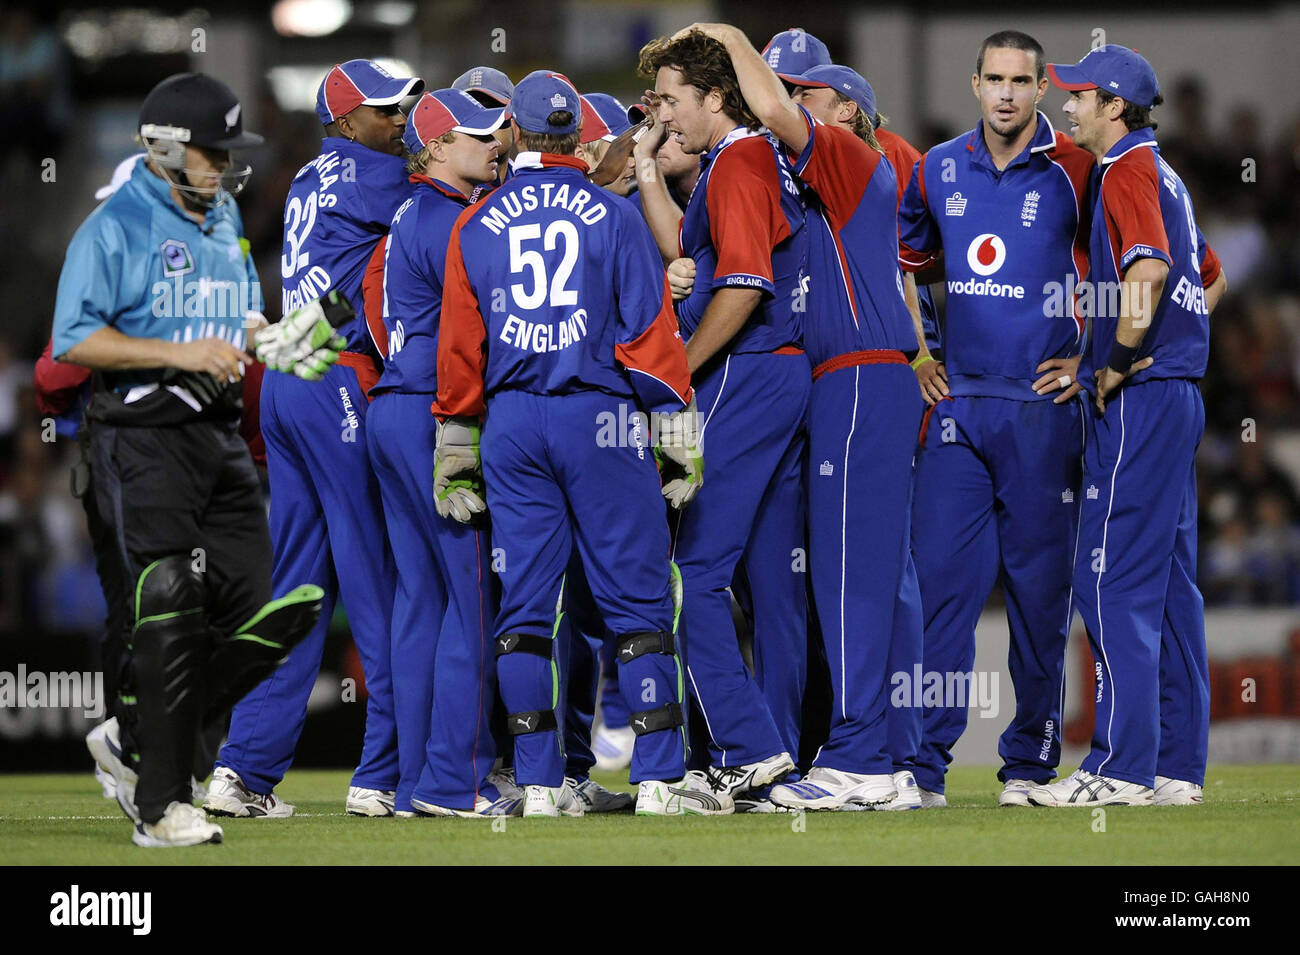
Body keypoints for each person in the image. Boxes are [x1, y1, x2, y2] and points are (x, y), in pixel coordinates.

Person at [52, 72, 329, 846]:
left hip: (216, 436)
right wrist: (177, 354)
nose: (225, 167)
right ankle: (161, 805)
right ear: (165, 147)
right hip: (141, 435)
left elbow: (235, 311)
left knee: (256, 610)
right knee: (168, 604)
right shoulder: (112, 227)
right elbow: (73, 338)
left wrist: (267, 337)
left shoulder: (223, 213)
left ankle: (136, 741)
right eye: (213, 153)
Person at [432, 70, 718, 816]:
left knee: (526, 608)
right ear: (575, 135)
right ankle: (657, 779)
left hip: (515, 422)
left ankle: (537, 783)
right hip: (602, 416)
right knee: (639, 599)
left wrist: (456, 442)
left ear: (517, 135)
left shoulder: (477, 223)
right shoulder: (613, 215)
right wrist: (678, 432)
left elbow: (460, 347)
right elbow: (648, 339)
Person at [685, 24, 923, 810]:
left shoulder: (855, 161)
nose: (789, 105)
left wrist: (723, 36)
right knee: (841, 576)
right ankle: (868, 756)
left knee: (856, 575)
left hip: (860, 376)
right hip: (834, 382)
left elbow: (768, 114)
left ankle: (863, 755)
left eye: (807, 95)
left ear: (849, 113)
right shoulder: (807, 191)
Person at [208, 59, 423, 819]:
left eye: (405, 109)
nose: (401, 121)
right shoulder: (381, 176)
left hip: (287, 381)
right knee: (379, 580)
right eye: (386, 110)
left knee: (298, 591)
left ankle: (243, 769)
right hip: (338, 373)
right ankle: (384, 773)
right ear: (345, 121)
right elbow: (465, 202)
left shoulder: (307, 175)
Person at [896, 31, 1095, 808]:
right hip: (957, 411)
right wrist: (919, 352)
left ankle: (1028, 763)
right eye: (995, 80)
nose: (1008, 94)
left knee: (1040, 596)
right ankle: (923, 765)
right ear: (974, 83)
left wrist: (1093, 358)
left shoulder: (1080, 170)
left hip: (1043, 411)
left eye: (1023, 81)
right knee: (940, 592)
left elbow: (1137, 267)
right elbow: (902, 263)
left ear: (1042, 87)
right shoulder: (937, 167)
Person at [1029, 45, 1226, 807]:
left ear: (1116, 106)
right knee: (1172, 585)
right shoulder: (1164, 173)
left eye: (1080, 94)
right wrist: (1178, 348)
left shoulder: (1125, 171)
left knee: (1109, 578)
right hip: (1174, 394)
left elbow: (1145, 274)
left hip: (1143, 400)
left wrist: (1114, 362)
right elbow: (1206, 276)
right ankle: (1176, 766)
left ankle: (1119, 769)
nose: (1068, 104)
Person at [635, 30, 807, 808]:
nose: (663, 114)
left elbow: (741, 286)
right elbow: (701, 252)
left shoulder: (738, 161)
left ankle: (751, 749)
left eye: (673, 99)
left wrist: (682, 364)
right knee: (766, 582)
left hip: (750, 372)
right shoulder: (736, 164)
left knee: (691, 576)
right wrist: (645, 173)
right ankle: (775, 752)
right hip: (775, 375)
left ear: (716, 98)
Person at [363, 88, 520, 817]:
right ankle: (455, 783)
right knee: (471, 604)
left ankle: (404, 780)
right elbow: (493, 320)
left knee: (418, 602)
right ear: (432, 148)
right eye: (478, 135)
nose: (495, 143)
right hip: (439, 413)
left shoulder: (403, 216)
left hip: (391, 407)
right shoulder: (460, 220)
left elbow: (372, 307)